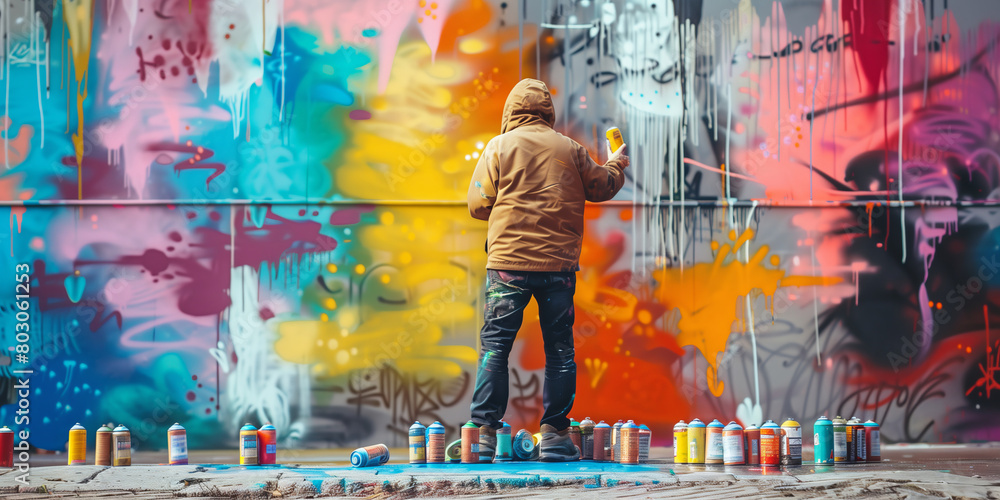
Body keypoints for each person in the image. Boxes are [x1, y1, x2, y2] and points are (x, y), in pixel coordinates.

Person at [466, 78, 630, 462]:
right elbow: (603, 186)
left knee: (495, 349)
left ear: (511, 111)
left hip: (507, 266)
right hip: (558, 268)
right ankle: (555, 435)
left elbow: (477, 204)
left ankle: (485, 435)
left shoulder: (499, 147)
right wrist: (617, 160)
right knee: (559, 350)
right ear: (547, 112)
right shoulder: (570, 149)